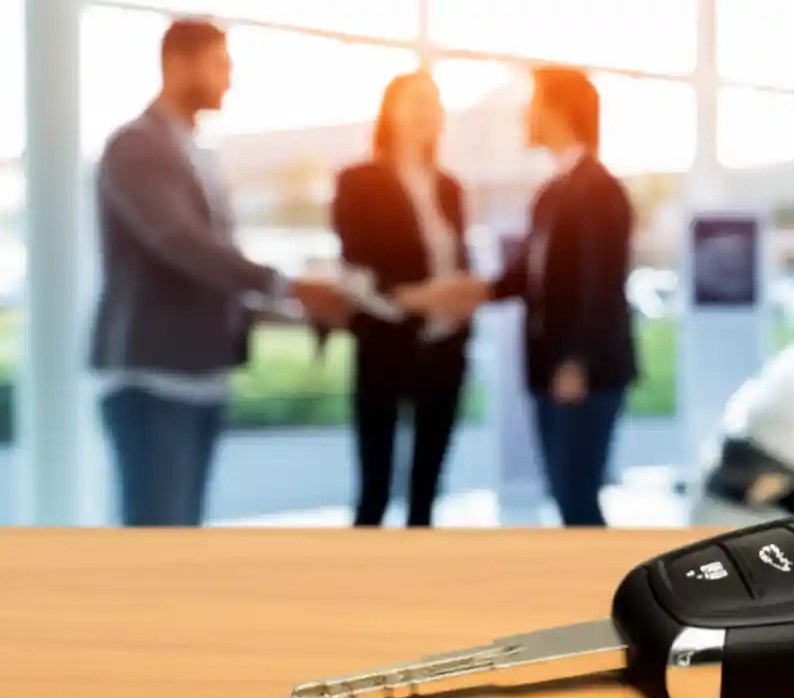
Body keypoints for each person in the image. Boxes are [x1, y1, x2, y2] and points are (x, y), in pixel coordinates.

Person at [91, 19, 348, 527]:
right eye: (220, 65)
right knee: (157, 544)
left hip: (202, 375)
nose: (228, 80)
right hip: (153, 380)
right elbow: (180, 243)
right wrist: (288, 285)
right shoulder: (136, 146)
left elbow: (212, 275)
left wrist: (293, 311)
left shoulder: (198, 151)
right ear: (178, 63)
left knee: (183, 538)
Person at [397, 67, 636, 526]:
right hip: (550, 369)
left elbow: (599, 286)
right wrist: (472, 291)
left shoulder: (599, 190)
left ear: (559, 111)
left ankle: (605, 594)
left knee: (577, 499)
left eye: (533, 104)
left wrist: (576, 361)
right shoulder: (553, 193)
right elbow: (528, 277)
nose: (525, 116)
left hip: (583, 372)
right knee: (566, 497)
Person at [331, 72, 469, 527]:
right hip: (385, 345)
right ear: (390, 109)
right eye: (417, 101)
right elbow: (355, 268)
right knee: (374, 490)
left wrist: (461, 295)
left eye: (436, 102)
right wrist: (415, 298)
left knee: (426, 492)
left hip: (445, 349)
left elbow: (458, 261)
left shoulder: (450, 187)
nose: (429, 111)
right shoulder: (359, 180)